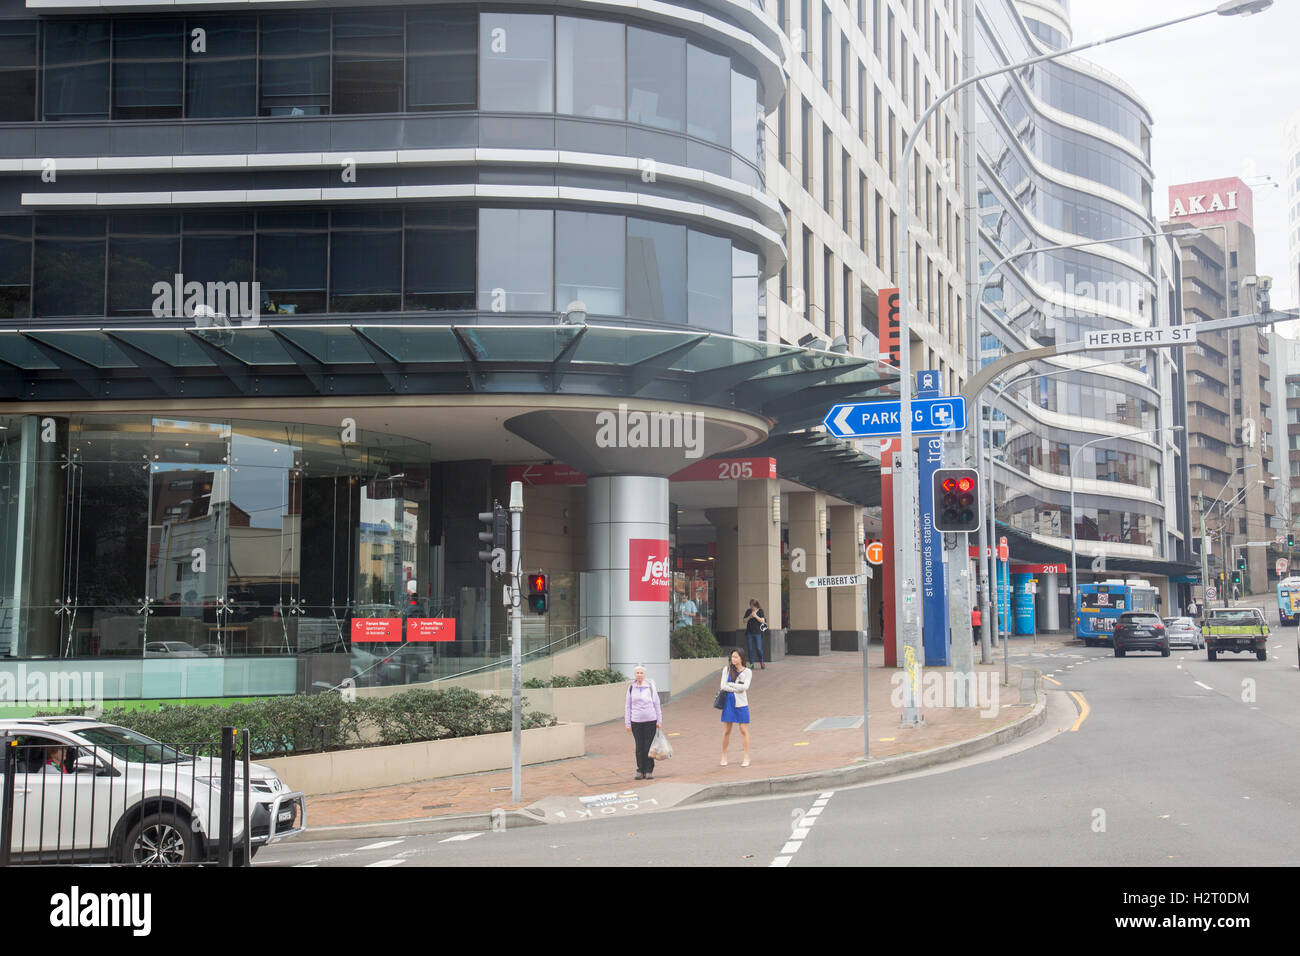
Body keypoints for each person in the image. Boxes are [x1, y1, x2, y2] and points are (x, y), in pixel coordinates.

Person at [624, 665, 662, 781]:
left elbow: (657, 704)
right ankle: (640, 770)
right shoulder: (631, 688)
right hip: (636, 721)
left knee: (648, 746)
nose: (639, 675)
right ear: (635, 675)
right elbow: (628, 706)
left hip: (650, 720)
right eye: (637, 673)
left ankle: (649, 770)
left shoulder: (650, 687)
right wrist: (628, 723)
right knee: (639, 747)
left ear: (644, 675)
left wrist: (659, 720)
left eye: (641, 673)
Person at [719, 649, 752, 767]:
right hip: (728, 702)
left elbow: (746, 687)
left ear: (741, 658)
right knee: (727, 730)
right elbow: (723, 686)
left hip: (742, 703)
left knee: (743, 729)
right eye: (732, 657)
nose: (733, 659)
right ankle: (723, 756)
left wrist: (731, 685)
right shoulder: (726, 670)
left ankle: (746, 757)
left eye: (736, 657)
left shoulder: (747, 671)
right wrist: (737, 688)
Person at [742, 599, 767, 669]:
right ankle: (751, 664)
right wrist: (750, 617)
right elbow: (744, 620)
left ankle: (761, 662)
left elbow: (762, 621)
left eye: (752, 606)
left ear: (756, 606)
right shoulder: (748, 611)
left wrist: (755, 616)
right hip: (749, 633)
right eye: (751, 605)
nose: (751, 607)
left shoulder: (760, 611)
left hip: (758, 633)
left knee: (759, 648)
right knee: (750, 649)